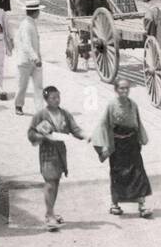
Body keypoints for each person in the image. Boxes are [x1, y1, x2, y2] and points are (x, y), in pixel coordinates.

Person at [27, 86, 88, 231]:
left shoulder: (65, 114)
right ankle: (49, 216)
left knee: (56, 182)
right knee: (50, 182)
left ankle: (51, 211)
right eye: (53, 98)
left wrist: (86, 136)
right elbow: (31, 133)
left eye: (58, 97)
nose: (56, 100)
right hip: (47, 152)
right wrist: (42, 136)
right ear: (46, 99)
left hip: (60, 153)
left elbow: (75, 129)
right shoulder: (41, 115)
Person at [91, 79, 153, 218]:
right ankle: (115, 205)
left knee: (138, 173)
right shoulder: (111, 105)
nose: (124, 91)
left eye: (126, 88)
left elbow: (138, 123)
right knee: (117, 174)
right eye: (121, 88)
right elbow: (103, 124)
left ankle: (142, 205)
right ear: (116, 90)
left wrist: (141, 139)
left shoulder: (133, 105)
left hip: (132, 143)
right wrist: (102, 144)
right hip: (117, 145)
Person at [13, 0, 44, 115]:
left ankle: (40, 109)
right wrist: (35, 58)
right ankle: (18, 105)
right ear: (35, 12)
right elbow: (26, 44)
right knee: (22, 86)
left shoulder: (31, 23)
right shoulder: (26, 25)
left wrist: (37, 58)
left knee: (38, 87)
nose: (39, 13)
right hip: (25, 61)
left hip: (35, 61)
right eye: (38, 11)